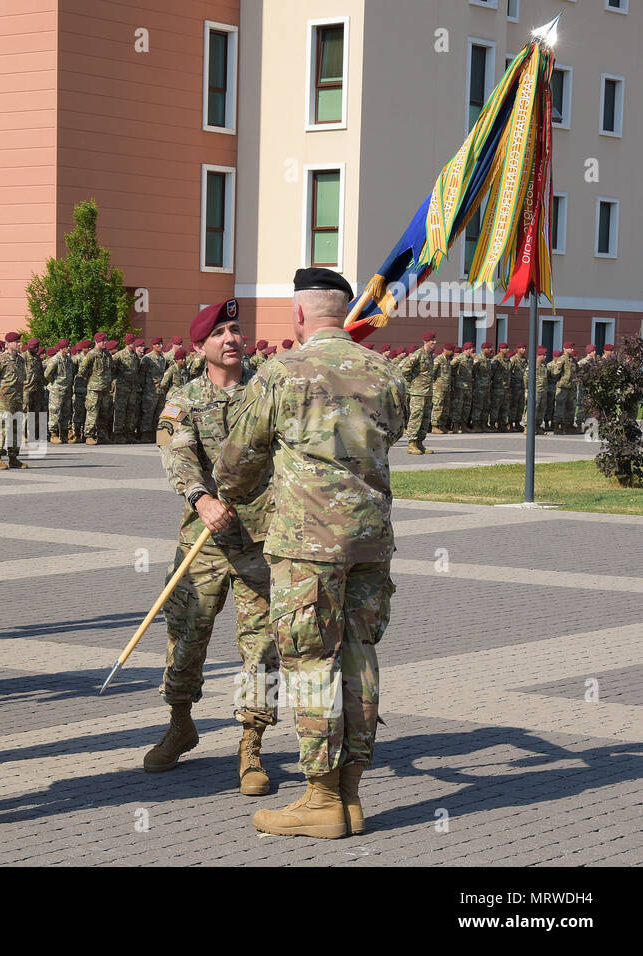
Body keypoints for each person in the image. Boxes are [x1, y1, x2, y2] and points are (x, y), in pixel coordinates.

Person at [213, 268, 407, 839]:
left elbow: (237, 459)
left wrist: (236, 489)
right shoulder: (386, 373)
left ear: (298, 316)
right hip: (371, 539)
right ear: (344, 315)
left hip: (307, 545)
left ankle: (321, 799)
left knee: (311, 660)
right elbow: (393, 433)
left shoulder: (281, 372)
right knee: (360, 656)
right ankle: (350, 796)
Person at [148, 299, 279, 794]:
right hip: (202, 543)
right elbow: (177, 456)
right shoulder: (183, 399)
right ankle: (180, 725)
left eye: (236, 330)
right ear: (200, 347)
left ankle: (251, 744)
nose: (231, 338)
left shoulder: (266, 393)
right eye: (220, 332)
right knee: (185, 639)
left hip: (262, 540)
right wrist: (201, 499)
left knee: (262, 646)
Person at [0, 330, 27, 468]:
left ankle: (13, 457)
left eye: (20, 341)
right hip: (4, 400)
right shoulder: (1, 360)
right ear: (9, 344)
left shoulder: (20, 360)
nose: (20, 344)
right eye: (17, 342)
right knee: (1, 428)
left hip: (17, 399)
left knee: (16, 428)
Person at [400, 332, 436, 454]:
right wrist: (412, 383)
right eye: (432, 341)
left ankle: (420, 443)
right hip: (418, 393)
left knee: (425, 419)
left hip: (428, 392)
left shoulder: (430, 355)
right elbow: (404, 370)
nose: (434, 343)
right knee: (416, 417)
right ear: (426, 342)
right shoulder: (418, 354)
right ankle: (411, 444)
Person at [430, 342, 454, 435]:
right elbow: (432, 373)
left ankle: (442, 426)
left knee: (446, 407)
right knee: (438, 406)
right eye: (450, 350)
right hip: (439, 388)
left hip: (447, 387)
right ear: (445, 350)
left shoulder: (448, 360)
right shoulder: (439, 359)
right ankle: (434, 426)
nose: (452, 352)